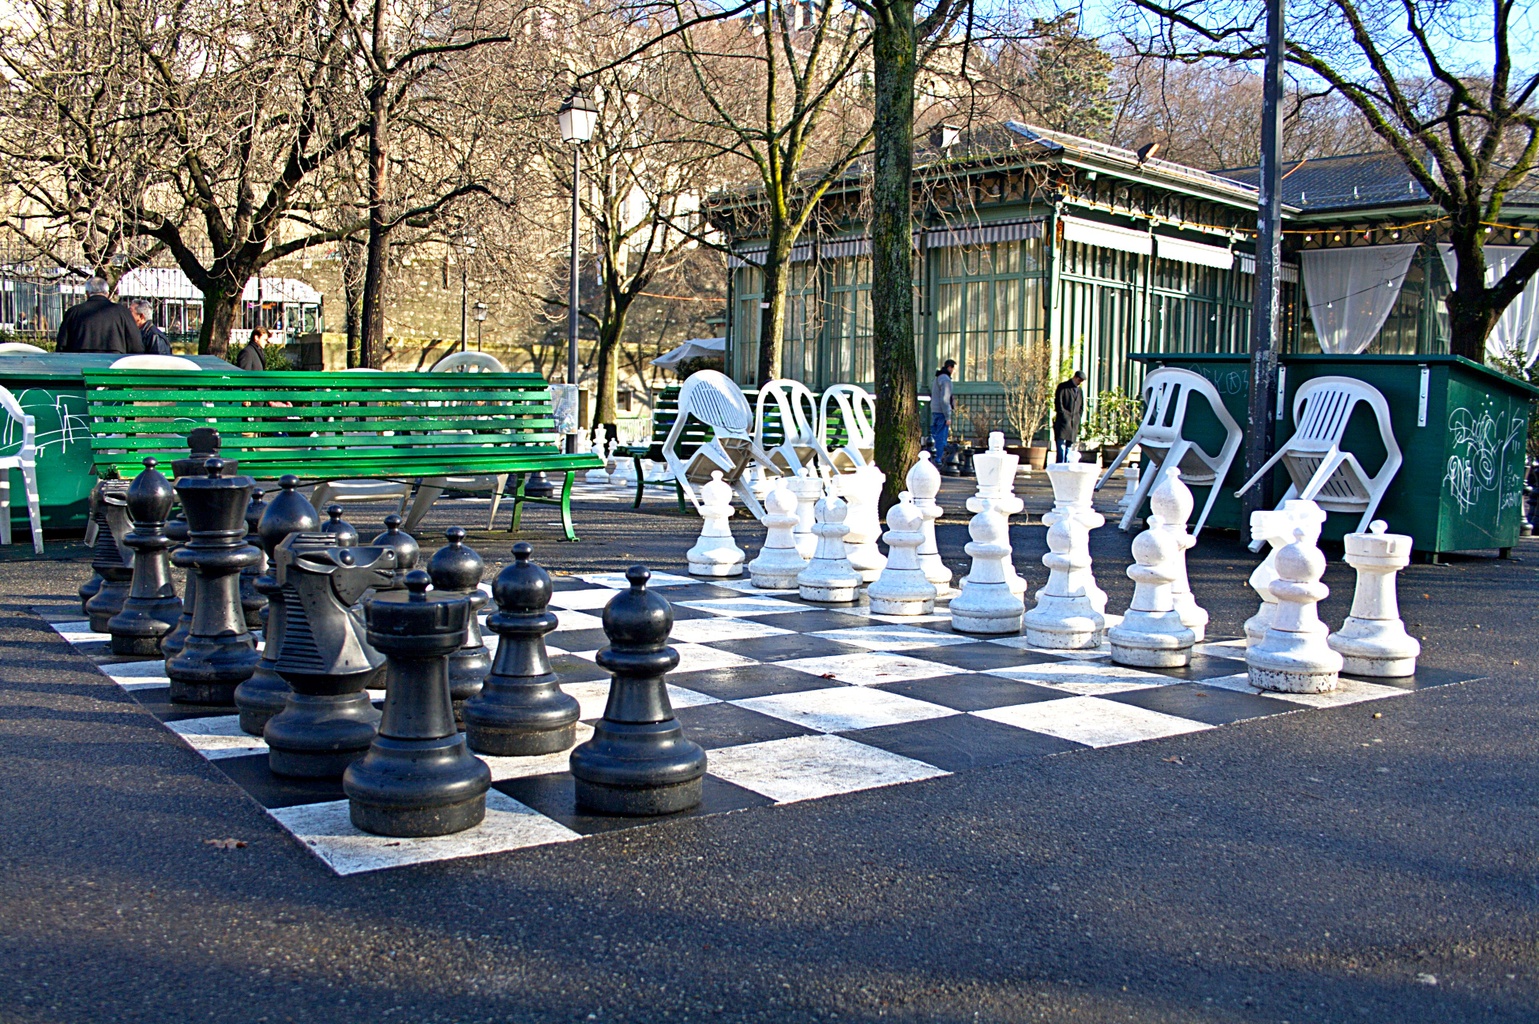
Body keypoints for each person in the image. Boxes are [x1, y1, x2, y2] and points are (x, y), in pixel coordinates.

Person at [56, 277, 143, 355]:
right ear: (107, 293)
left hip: (81, 362)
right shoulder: (123, 312)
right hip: (114, 362)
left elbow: (62, 345)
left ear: (87, 293)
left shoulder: (73, 312)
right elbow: (136, 344)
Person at [1053, 370, 1086, 463]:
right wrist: (1065, 416)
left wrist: (1078, 417)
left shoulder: (1079, 391)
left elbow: (1081, 406)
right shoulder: (1063, 387)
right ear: (1075, 377)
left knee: (1069, 448)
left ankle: (1067, 465)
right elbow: (1059, 404)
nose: (1080, 383)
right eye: (1079, 380)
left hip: (1074, 422)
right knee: (1061, 446)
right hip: (1063, 422)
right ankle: (1060, 465)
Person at [931, 358, 956, 459]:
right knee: (941, 438)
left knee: (935, 436)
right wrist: (948, 416)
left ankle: (934, 457)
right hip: (942, 412)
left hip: (935, 410)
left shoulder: (937, 378)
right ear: (950, 367)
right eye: (953, 369)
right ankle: (938, 459)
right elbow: (945, 399)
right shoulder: (946, 380)